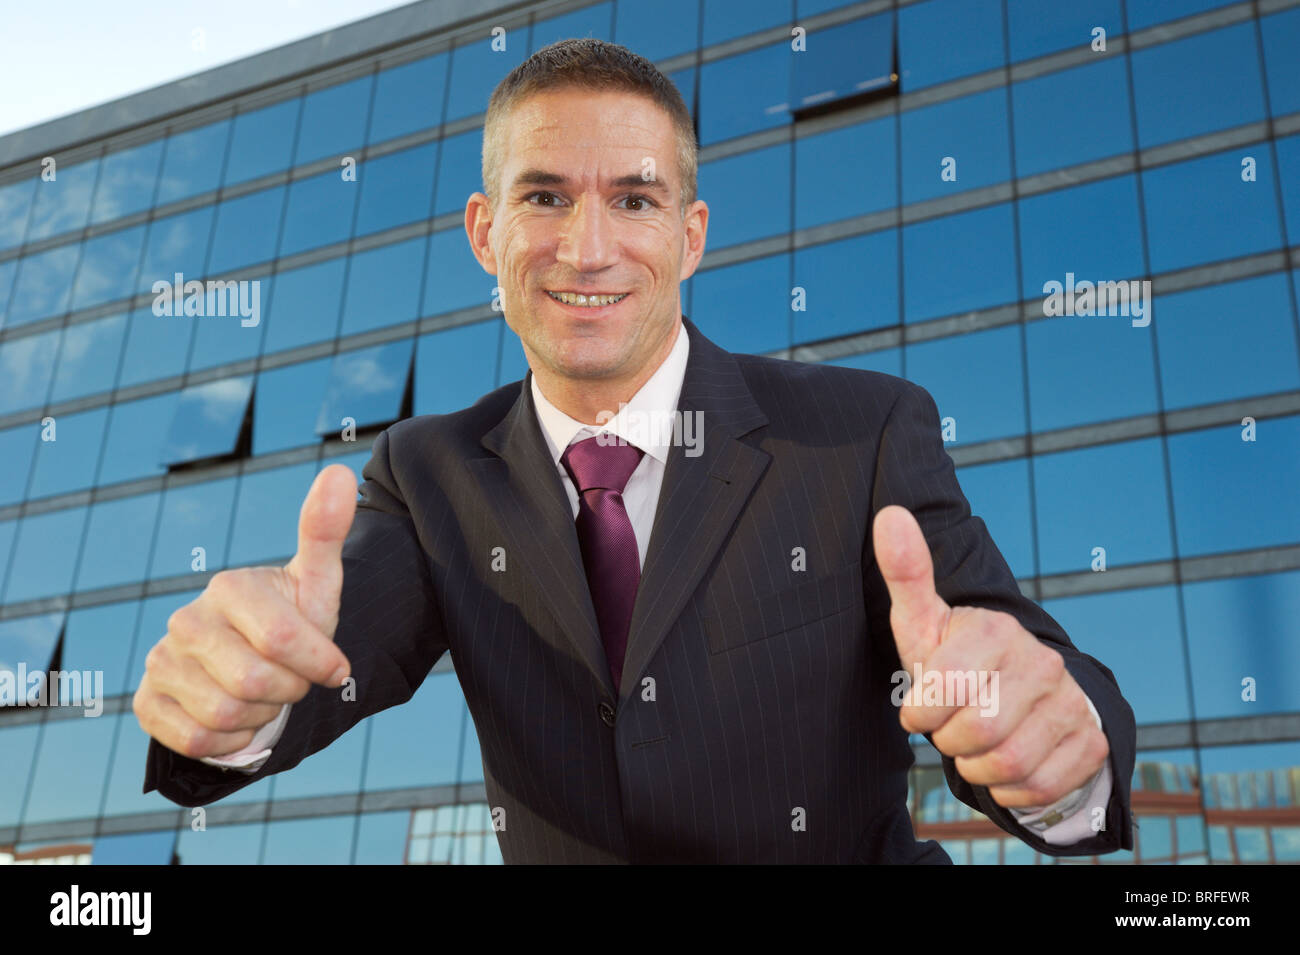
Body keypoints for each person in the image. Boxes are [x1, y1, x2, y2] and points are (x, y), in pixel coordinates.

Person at [135, 38, 1136, 863]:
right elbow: (319, 659)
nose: (587, 248)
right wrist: (234, 697)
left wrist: (1062, 753)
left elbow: (1015, 665)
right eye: (544, 198)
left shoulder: (860, 432)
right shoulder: (428, 471)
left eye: (635, 199)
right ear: (483, 232)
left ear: (690, 236)